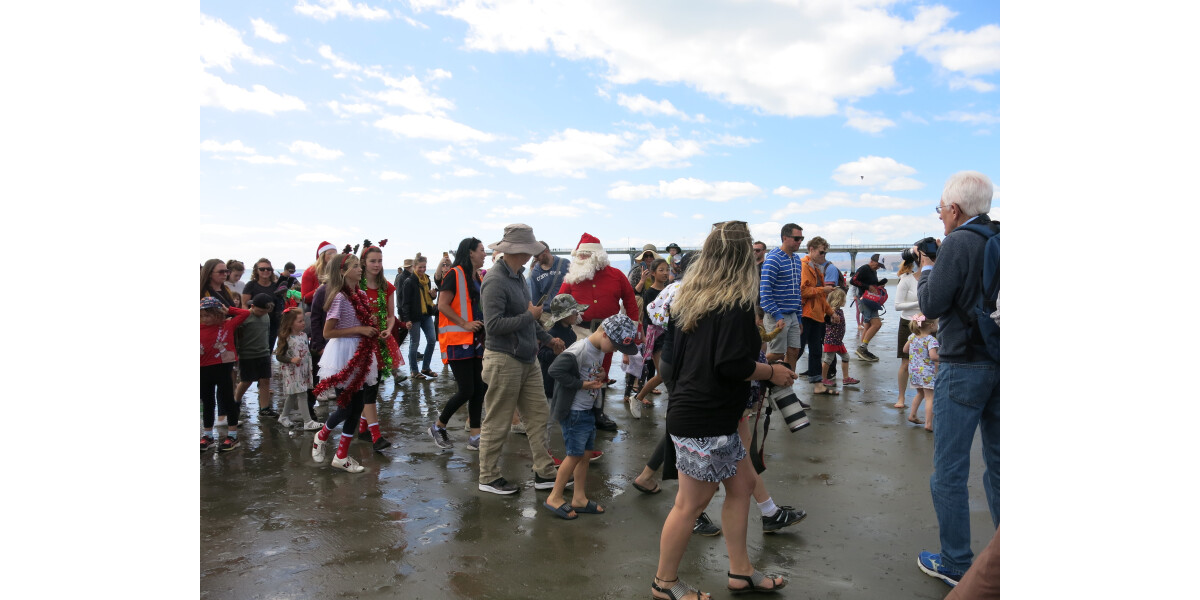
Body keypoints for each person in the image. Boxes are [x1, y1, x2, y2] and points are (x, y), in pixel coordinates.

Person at [652, 221, 795, 600]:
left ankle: (741, 572)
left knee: (743, 485)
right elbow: (732, 364)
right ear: (742, 255)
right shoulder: (735, 305)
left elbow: (670, 365)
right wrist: (772, 372)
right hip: (706, 418)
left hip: (700, 412)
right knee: (690, 504)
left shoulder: (688, 299)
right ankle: (664, 584)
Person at [915, 170, 1000, 587]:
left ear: (954, 209)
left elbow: (930, 304)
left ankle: (955, 561)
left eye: (940, 210)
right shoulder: (1000, 239)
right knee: (1000, 466)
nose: (940, 217)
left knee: (949, 468)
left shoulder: (958, 243)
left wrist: (928, 268)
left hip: (962, 364)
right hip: (1001, 360)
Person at [476, 223, 565, 496]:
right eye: (531, 251)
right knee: (498, 420)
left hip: (527, 358)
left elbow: (529, 318)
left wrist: (547, 338)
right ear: (521, 251)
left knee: (539, 417)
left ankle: (544, 472)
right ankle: (488, 476)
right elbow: (493, 325)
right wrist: (532, 318)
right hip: (504, 359)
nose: (534, 256)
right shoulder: (495, 280)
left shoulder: (517, 276)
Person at [543, 314, 639, 519]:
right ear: (604, 335)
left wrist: (602, 375)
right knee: (575, 454)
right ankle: (555, 496)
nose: (614, 351)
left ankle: (579, 498)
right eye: (615, 346)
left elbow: (591, 370)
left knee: (585, 455)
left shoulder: (597, 349)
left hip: (587, 409)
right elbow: (554, 370)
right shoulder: (579, 350)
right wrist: (582, 385)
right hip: (575, 411)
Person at [557, 232, 639, 431]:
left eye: (584, 256)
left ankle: (598, 412)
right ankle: (571, 410)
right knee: (578, 371)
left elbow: (630, 302)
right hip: (578, 332)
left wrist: (634, 330)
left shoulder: (616, 275)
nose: (580, 260)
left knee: (601, 372)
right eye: (579, 256)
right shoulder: (572, 277)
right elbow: (559, 303)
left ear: (596, 256)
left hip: (607, 335)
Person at [310, 253, 380, 474]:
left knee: (358, 405)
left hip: (360, 351)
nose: (361, 270)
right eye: (356, 267)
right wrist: (359, 329)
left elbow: (360, 320)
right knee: (346, 406)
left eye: (360, 266)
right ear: (342, 271)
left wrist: (370, 323)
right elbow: (328, 331)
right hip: (343, 352)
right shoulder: (339, 297)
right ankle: (321, 435)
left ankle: (341, 455)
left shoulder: (359, 294)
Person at [428, 237, 488, 451]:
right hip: (457, 340)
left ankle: (475, 436)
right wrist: (464, 323)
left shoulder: (477, 277)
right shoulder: (455, 274)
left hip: (476, 340)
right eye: (482, 250)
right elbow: (442, 305)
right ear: (470, 252)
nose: (484, 254)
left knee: (479, 389)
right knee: (466, 390)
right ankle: (438, 425)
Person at [355, 244, 400, 452]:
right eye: (373, 261)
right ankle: (375, 436)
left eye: (380, 261)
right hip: (361, 341)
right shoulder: (356, 286)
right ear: (364, 262)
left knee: (374, 385)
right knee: (369, 390)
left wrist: (389, 329)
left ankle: (363, 430)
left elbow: (391, 316)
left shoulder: (387, 287)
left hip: (381, 341)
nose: (377, 265)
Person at [201, 297, 250, 452]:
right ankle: (208, 435)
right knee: (207, 401)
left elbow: (244, 314)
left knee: (227, 400)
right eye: (202, 315)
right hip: (203, 368)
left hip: (223, 366)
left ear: (218, 314)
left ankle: (233, 435)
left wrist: (228, 309)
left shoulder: (227, 324)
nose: (204, 318)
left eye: (208, 315)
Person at [759, 223, 805, 371]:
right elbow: (765, 293)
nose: (799, 242)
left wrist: (799, 317)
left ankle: (786, 387)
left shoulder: (797, 260)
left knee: (794, 351)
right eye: (797, 238)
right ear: (785, 238)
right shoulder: (773, 259)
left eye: (801, 238)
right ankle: (753, 373)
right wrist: (778, 315)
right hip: (776, 315)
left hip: (792, 315)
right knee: (776, 353)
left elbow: (796, 291)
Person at [631, 258, 670, 410]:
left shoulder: (670, 290)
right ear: (653, 273)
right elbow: (647, 318)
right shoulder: (650, 293)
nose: (665, 273)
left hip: (669, 335)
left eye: (667, 269)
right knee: (662, 374)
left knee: (670, 373)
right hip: (656, 336)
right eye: (661, 270)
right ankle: (638, 397)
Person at [274, 307, 320, 430]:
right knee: (302, 394)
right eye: (300, 321)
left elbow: (306, 350)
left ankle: (283, 416)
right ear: (290, 323)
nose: (303, 323)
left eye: (303, 320)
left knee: (293, 395)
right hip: (292, 371)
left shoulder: (304, 335)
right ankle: (307, 421)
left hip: (303, 370)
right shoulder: (286, 337)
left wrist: (318, 352)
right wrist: (291, 360)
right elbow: (279, 356)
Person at [799, 236, 835, 389]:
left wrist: (831, 312)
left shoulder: (814, 267)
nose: (823, 256)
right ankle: (780, 380)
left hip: (816, 315)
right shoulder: (804, 266)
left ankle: (817, 383)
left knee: (815, 350)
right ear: (811, 249)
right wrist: (823, 289)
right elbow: (803, 291)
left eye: (825, 253)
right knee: (798, 349)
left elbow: (819, 297)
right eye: (821, 252)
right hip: (806, 315)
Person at [234, 293, 277, 419]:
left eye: (265, 311)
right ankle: (235, 402)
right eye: (260, 311)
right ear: (252, 306)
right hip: (247, 354)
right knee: (246, 380)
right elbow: (236, 334)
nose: (262, 313)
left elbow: (267, 333)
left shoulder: (266, 317)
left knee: (265, 380)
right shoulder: (245, 317)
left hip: (263, 353)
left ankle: (264, 408)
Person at [402, 253, 439, 380]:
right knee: (414, 343)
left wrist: (433, 296)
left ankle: (426, 368)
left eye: (424, 267)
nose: (422, 270)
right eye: (420, 267)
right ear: (414, 267)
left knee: (432, 340)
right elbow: (404, 303)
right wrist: (407, 319)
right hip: (414, 317)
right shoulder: (409, 282)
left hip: (426, 315)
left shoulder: (427, 280)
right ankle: (414, 370)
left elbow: (428, 298)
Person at [241, 258, 288, 352]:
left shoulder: (276, 286)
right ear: (256, 271)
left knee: (268, 350)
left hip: (273, 324)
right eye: (262, 269)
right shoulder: (251, 285)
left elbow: (281, 304)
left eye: (268, 269)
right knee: (253, 350)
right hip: (255, 323)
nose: (265, 271)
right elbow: (244, 305)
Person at [893, 251, 921, 407]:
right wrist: (919, 304)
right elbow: (897, 305)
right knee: (906, 362)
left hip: (929, 324)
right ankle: (901, 398)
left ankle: (929, 397)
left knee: (932, 361)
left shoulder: (933, 278)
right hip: (908, 323)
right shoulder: (906, 280)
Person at [904, 315, 939, 430]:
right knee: (930, 397)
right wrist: (942, 357)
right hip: (927, 372)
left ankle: (912, 415)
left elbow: (904, 350)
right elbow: (933, 357)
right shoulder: (931, 340)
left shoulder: (912, 337)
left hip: (914, 371)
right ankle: (928, 424)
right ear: (932, 325)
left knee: (920, 393)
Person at [820, 288, 859, 390]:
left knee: (846, 357)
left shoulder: (838, 311)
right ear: (838, 300)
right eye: (843, 299)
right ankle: (823, 378)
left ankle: (846, 378)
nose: (845, 301)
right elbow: (828, 321)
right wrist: (833, 319)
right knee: (828, 359)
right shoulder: (832, 312)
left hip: (838, 341)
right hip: (831, 341)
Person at [852, 253, 888, 361]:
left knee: (867, 326)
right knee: (877, 324)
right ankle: (862, 348)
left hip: (871, 300)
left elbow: (871, 283)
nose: (878, 267)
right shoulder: (864, 268)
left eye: (880, 266)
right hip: (864, 299)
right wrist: (868, 287)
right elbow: (853, 280)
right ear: (871, 261)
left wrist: (879, 284)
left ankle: (862, 351)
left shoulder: (873, 271)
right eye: (877, 265)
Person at [391, 258, 415, 383]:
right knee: (401, 332)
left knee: (403, 332)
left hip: (402, 309)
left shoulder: (406, 276)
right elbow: (400, 295)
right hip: (402, 309)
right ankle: (395, 351)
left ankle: (395, 353)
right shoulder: (402, 277)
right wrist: (401, 310)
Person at [528, 241, 570, 312]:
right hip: (547, 312)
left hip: (565, 311)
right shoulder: (535, 272)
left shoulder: (565, 263)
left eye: (537, 256)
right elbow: (536, 297)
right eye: (534, 256)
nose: (535, 259)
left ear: (546, 251)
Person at [302, 241, 338, 308]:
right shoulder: (310, 272)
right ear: (322, 256)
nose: (333, 256)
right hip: (317, 309)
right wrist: (322, 288)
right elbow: (305, 298)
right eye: (330, 253)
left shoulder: (337, 271)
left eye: (335, 253)